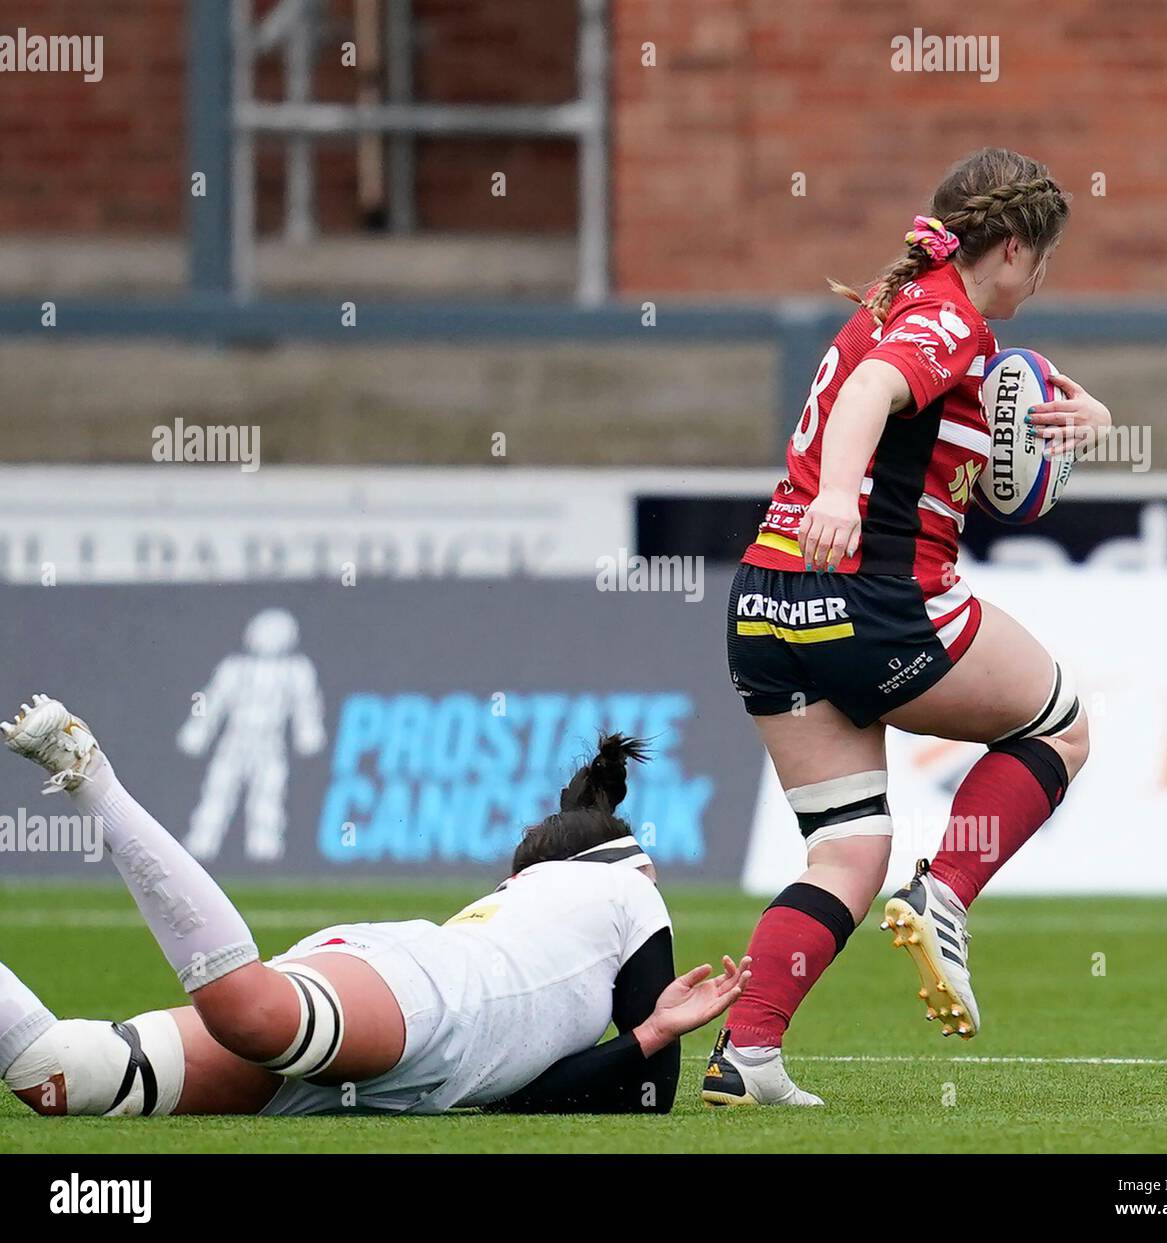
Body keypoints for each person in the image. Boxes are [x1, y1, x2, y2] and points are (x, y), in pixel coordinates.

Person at [702, 148, 1109, 1107]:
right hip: (877, 601)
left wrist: (1085, 413)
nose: (1039, 281)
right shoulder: (941, 319)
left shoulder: (909, 301)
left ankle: (747, 1052)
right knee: (1059, 725)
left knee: (845, 847)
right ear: (1010, 248)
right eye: (1040, 261)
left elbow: (977, 401)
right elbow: (871, 393)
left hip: (767, 601)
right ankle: (949, 892)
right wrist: (840, 492)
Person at [0, 696, 748, 1118]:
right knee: (246, 1011)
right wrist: (653, 1033)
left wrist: (646, 1032)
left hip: (411, 1063)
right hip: (427, 1003)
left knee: (60, 1074)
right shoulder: (625, 882)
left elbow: (528, 1100)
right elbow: (644, 1102)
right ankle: (91, 775)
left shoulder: (529, 906)